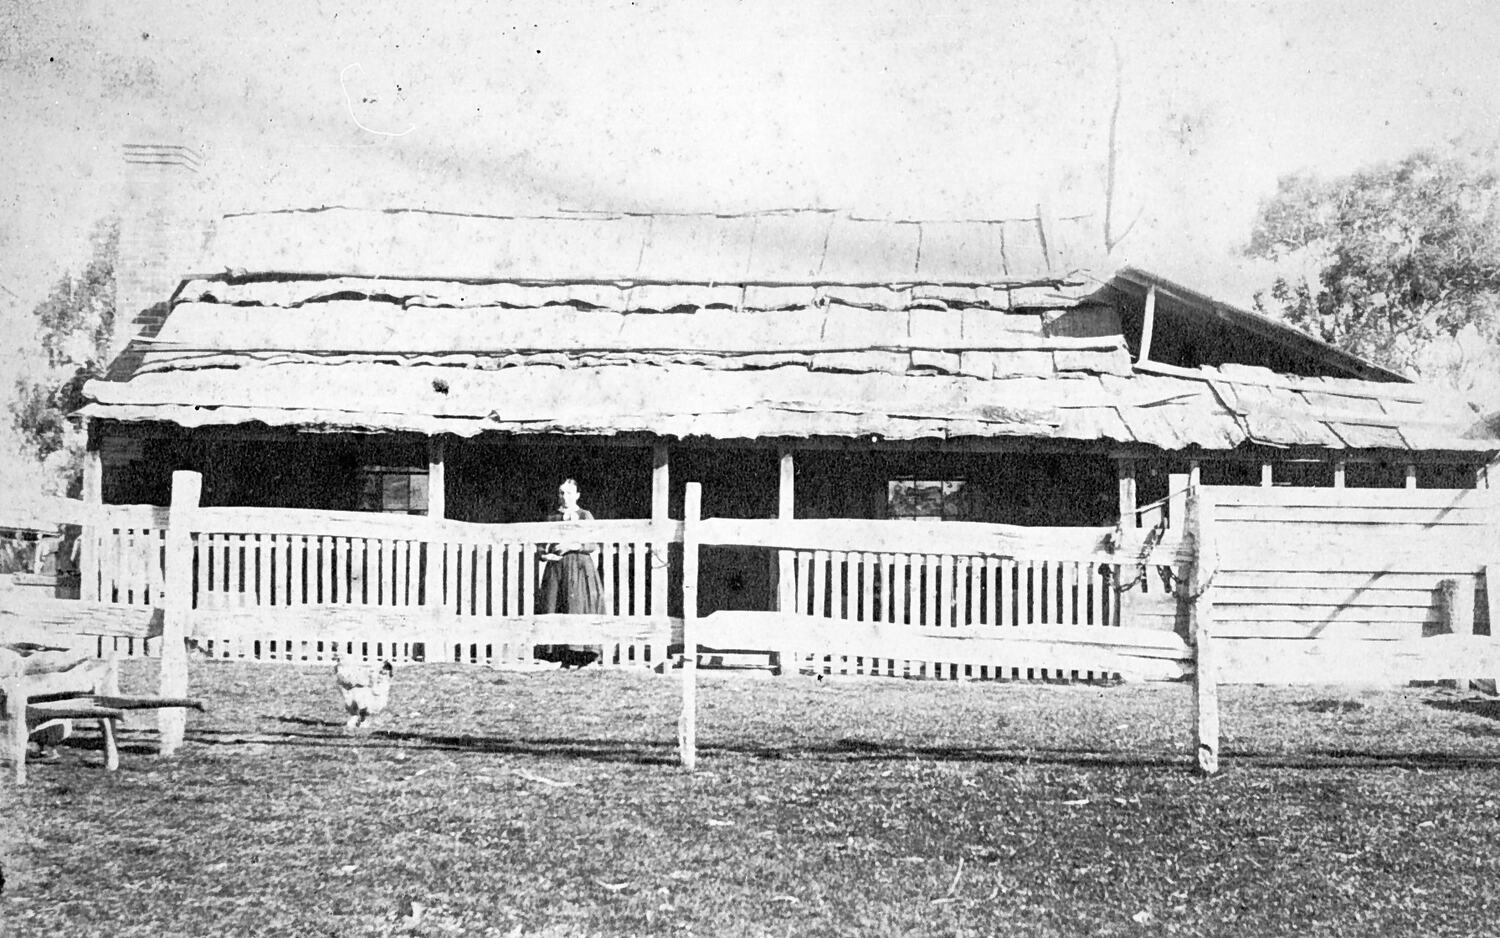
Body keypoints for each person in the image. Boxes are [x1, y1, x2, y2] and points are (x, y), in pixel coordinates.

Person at [536, 478, 605, 667]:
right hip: (557, 568)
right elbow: (541, 546)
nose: (564, 497)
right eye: (561, 493)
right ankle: (564, 658)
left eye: (568, 493)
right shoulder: (551, 517)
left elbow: (593, 543)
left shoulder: (584, 515)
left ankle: (584, 658)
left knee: (579, 607)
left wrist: (573, 545)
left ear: (577, 495)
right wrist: (546, 556)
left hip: (580, 567)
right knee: (557, 605)